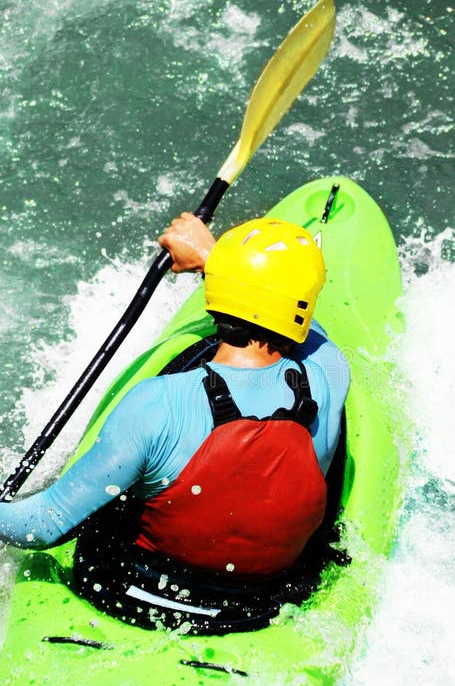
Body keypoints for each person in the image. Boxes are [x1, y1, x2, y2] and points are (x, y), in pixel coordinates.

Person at [0, 213, 350, 581]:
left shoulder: (157, 404)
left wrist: (216, 266)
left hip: (146, 600)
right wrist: (214, 261)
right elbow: (312, 336)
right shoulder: (330, 375)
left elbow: (43, 526)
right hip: (261, 605)